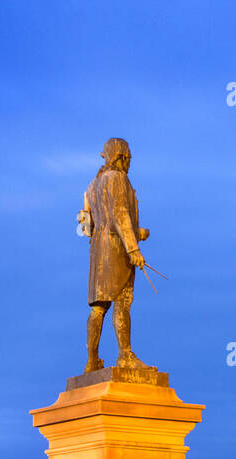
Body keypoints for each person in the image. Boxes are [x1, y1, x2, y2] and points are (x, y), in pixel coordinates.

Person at [79, 137, 151, 373]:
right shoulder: (118, 178)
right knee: (122, 301)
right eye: (128, 157)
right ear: (121, 156)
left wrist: (137, 232)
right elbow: (119, 214)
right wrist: (133, 248)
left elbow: (85, 226)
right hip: (117, 250)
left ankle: (91, 360)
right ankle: (125, 355)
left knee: (98, 307)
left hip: (97, 251)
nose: (129, 162)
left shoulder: (91, 186)